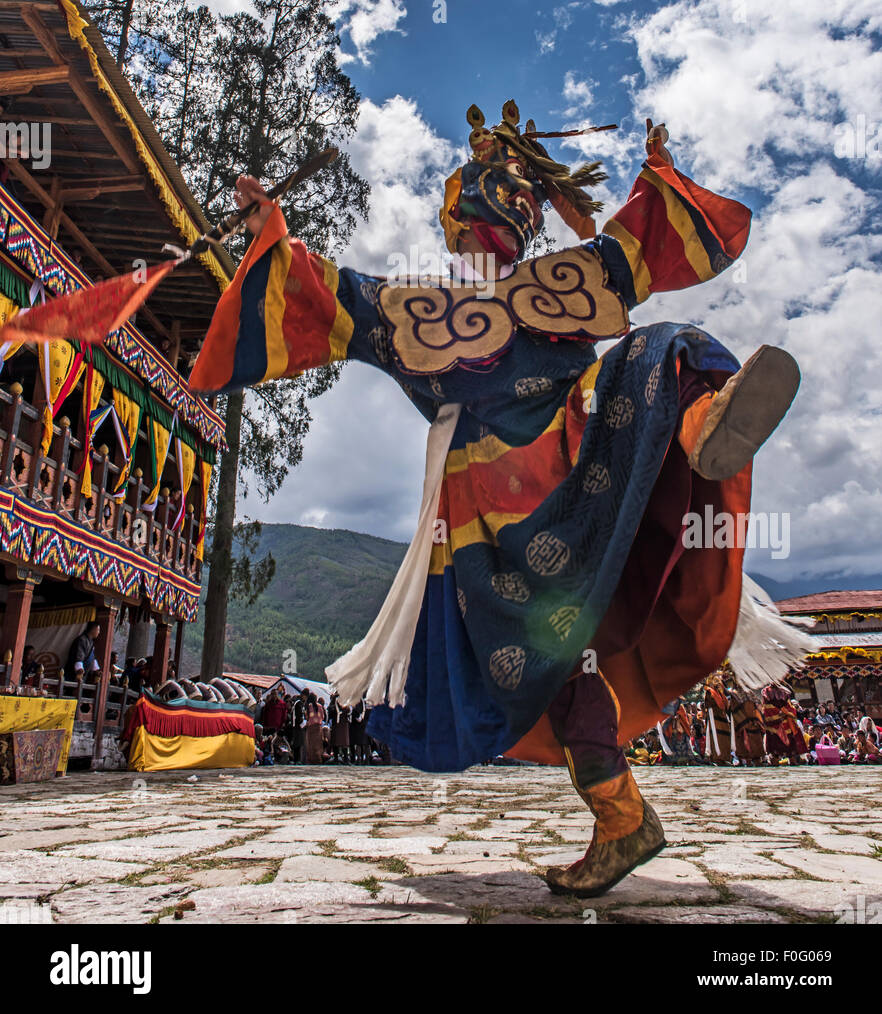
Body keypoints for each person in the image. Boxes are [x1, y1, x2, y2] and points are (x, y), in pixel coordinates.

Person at [191, 107, 803, 898]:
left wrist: (657, 179)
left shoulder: (566, 281)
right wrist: (272, 234)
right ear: (463, 218)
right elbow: (328, 298)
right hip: (496, 525)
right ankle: (621, 817)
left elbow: (639, 244)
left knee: (661, 349)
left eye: (516, 202)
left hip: (583, 468)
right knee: (561, 669)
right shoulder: (421, 309)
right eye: (492, 201)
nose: (504, 217)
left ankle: (702, 427)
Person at [304, 693, 325, 765]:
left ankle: (310, 760)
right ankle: (318, 760)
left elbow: (307, 717)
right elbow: (323, 717)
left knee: (310, 745)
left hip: (310, 727)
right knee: (318, 745)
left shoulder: (308, 706)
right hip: (318, 727)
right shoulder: (320, 706)